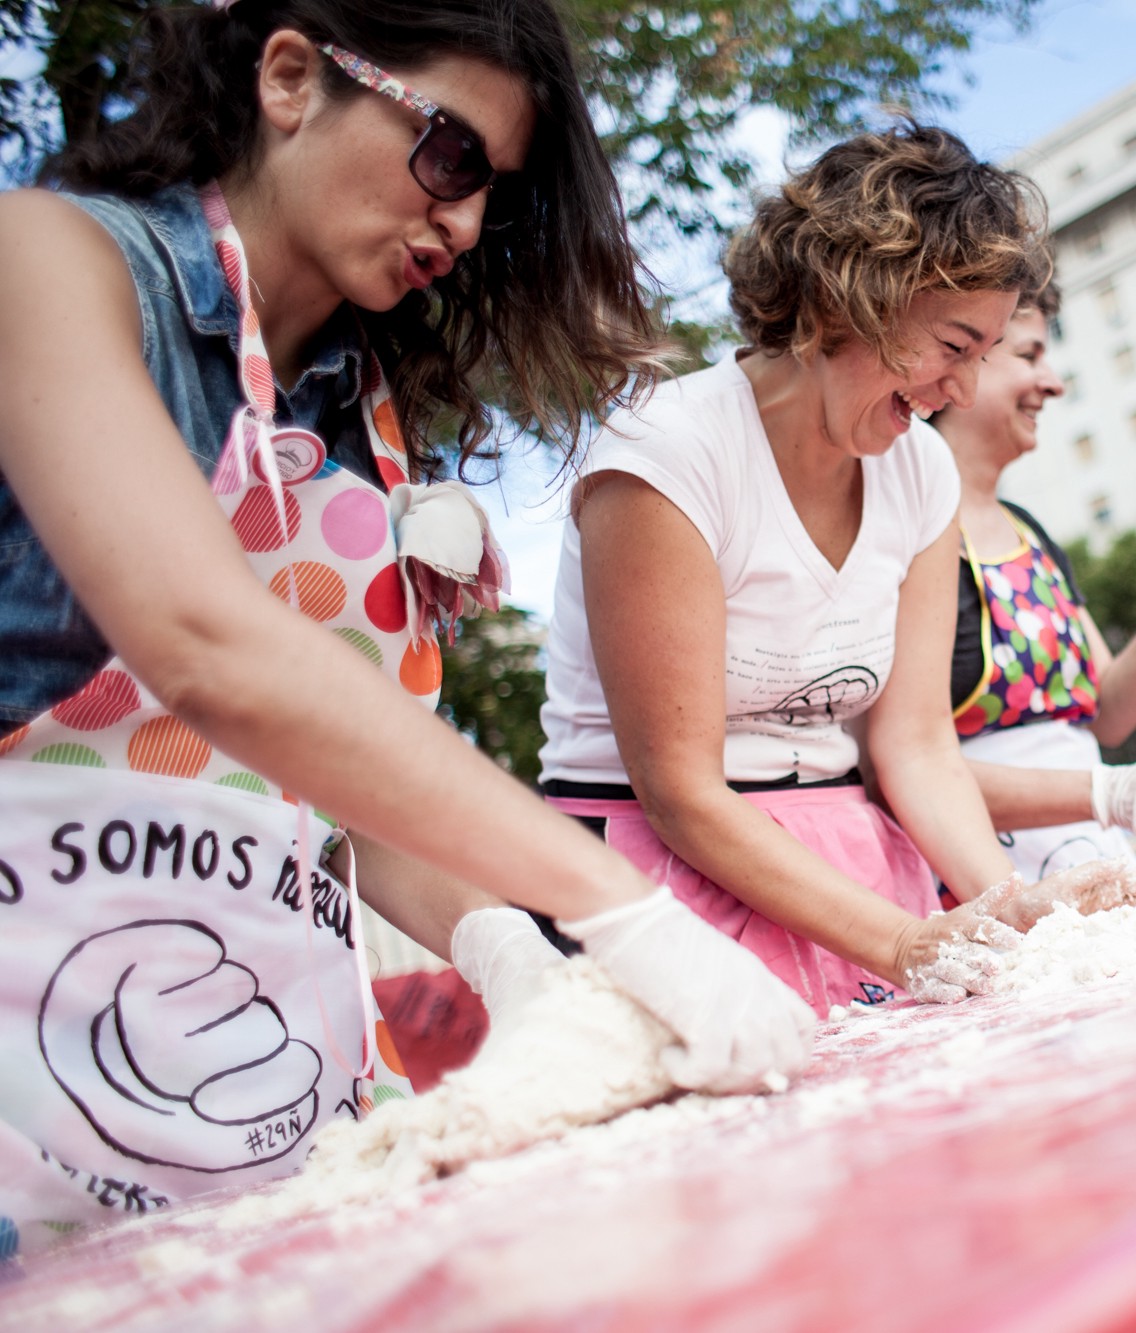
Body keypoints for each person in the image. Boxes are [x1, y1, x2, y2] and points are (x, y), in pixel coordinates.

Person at [0, 0, 814, 1252]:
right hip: (29, 1120)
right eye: (449, 157)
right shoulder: (50, 265)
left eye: (497, 192)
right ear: (288, 79)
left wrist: (509, 942)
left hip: (287, 1105)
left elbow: (340, 792)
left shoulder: (363, 421)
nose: (468, 221)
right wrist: (614, 903)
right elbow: (206, 650)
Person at [537, 125, 1136, 1017]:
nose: (962, 389)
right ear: (849, 299)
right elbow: (679, 790)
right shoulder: (668, 453)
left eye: (982, 357)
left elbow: (916, 747)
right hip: (654, 869)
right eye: (953, 345)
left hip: (849, 855)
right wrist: (907, 943)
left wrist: (1014, 914)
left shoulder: (921, 471)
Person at [930, 281, 1136, 878]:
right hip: (976, 874)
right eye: (1029, 355)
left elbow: (1109, 714)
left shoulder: (1030, 534)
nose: (1054, 383)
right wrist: (1104, 793)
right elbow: (911, 764)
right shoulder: (913, 534)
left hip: (1086, 855)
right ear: (959, 359)